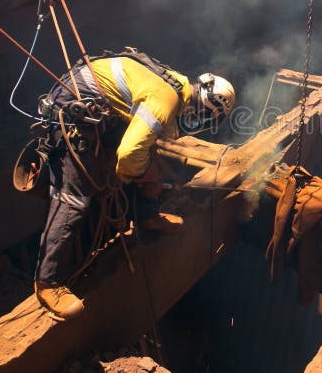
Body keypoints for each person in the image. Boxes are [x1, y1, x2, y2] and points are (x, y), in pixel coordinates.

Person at [32, 49, 235, 321]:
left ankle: (146, 217)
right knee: (74, 201)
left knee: (147, 157)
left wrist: (148, 171)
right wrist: (144, 174)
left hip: (97, 106)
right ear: (205, 108)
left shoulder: (177, 83)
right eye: (204, 116)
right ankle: (48, 282)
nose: (198, 120)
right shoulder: (165, 102)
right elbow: (128, 157)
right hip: (72, 114)